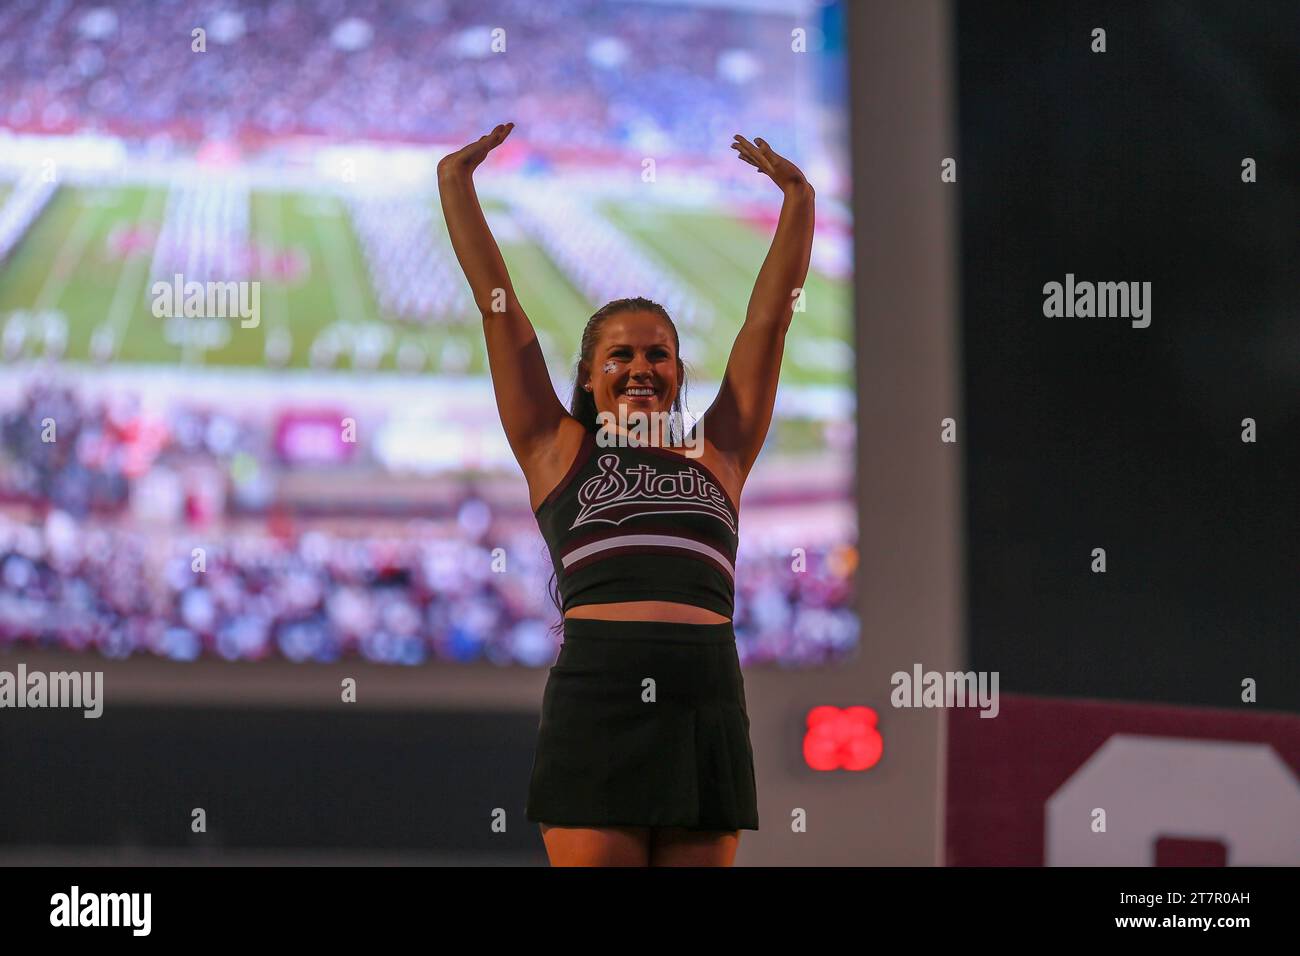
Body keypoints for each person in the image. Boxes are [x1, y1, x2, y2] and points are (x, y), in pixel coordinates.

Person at [438, 123, 814, 866]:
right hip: (600, 695)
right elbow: (499, 310)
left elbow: (768, 324)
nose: (641, 368)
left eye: (658, 355)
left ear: (679, 372)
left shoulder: (722, 450)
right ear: (587, 375)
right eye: (620, 355)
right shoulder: (556, 449)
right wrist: (456, 185)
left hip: (704, 697)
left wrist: (799, 199)